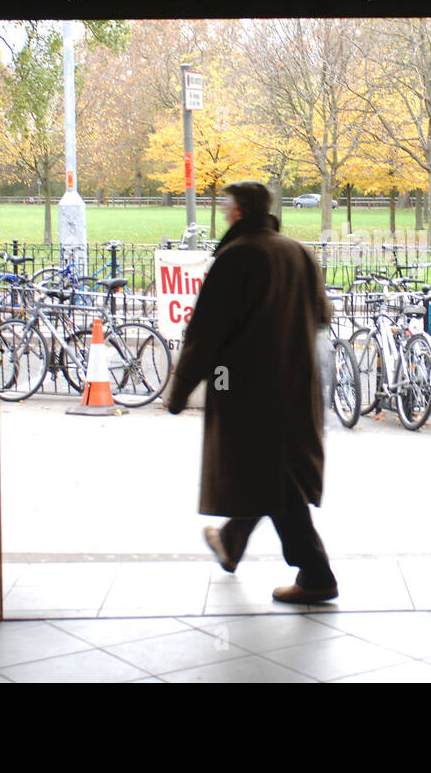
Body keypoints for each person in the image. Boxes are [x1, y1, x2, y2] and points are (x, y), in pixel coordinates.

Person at [164, 181, 338, 603]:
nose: (224, 211)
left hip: (248, 389)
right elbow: (323, 313)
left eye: (226, 205)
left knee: (275, 479)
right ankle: (231, 541)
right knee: (272, 470)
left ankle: (316, 574)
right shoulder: (298, 252)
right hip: (297, 385)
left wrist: (180, 389)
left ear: (238, 211)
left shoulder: (237, 255)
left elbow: (205, 332)